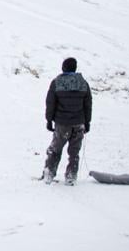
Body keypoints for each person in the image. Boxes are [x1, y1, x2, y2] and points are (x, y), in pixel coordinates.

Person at [43, 57, 93, 185]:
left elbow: (50, 103)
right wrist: (87, 122)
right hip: (79, 123)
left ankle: (49, 174)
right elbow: (88, 105)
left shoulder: (57, 82)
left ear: (64, 67)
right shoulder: (83, 83)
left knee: (55, 149)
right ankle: (71, 176)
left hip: (62, 124)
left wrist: (49, 120)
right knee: (74, 152)